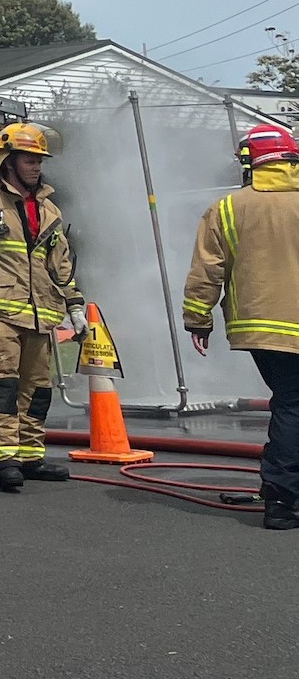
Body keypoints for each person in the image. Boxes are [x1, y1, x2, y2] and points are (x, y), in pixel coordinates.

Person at [0, 122, 87, 492]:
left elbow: (61, 266)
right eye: (28, 160)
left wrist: (74, 306)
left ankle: (29, 456)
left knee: (38, 390)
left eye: (39, 160)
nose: (36, 167)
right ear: (7, 161)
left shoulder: (49, 210)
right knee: (2, 388)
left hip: (40, 316)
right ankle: (4, 459)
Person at [181, 123, 299, 531]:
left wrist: (198, 320)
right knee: (294, 406)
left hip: (260, 330)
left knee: (290, 404)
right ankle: (282, 500)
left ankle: (280, 491)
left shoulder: (227, 208)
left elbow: (207, 271)